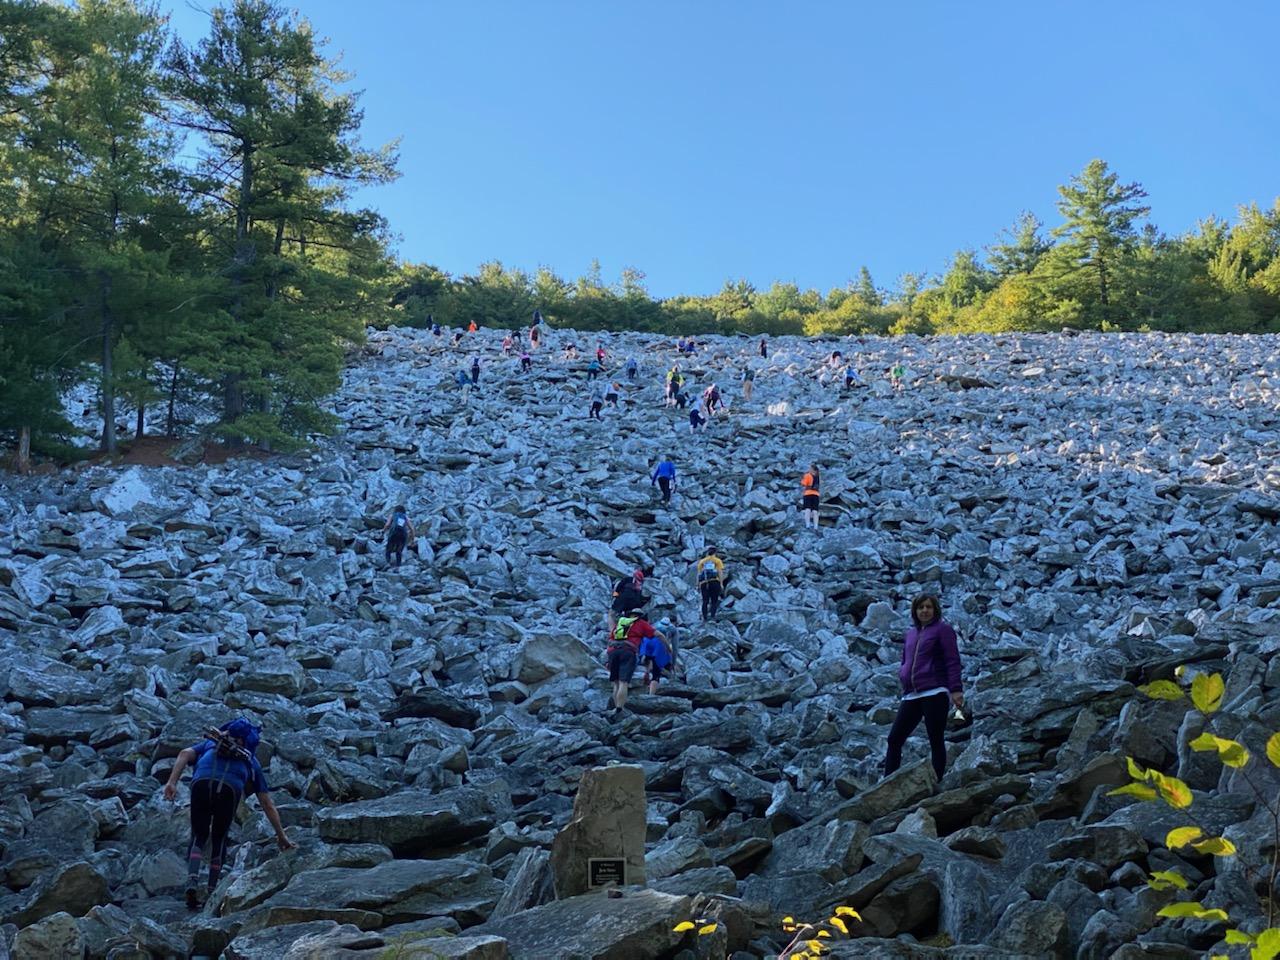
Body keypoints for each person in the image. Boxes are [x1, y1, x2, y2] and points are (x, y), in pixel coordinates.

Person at [162, 718, 294, 909]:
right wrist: (281, 836)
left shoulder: (210, 743)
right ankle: (211, 891)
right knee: (219, 838)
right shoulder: (251, 761)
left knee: (199, 834)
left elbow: (184, 754)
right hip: (229, 790)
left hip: (201, 783)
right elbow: (266, 803)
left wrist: (172, 782)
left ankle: (191, 882)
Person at [884, 594, 964, 780]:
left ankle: (936, 782)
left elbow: (952, 660)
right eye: (921, 607)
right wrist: (903, 677)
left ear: (935, 610)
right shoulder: (911, 634)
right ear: (915, 611)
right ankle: (888, 782)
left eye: (928, 607)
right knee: (894, 739)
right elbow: (906, 660)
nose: (925, 611)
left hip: (935, 691)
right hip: (911, 694)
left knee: (935, 739)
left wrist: (956, 689)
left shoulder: (943, 630)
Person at [607, 607, 666, 714]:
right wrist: (668, 647)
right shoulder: (641, 623)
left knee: (616, 683)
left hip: (613, 651)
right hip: (628, 651)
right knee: (623, 682)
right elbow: (659, 635)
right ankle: (619, 709)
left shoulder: (621, 622)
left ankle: (614, 708)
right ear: (640, 616)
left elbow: (611, 635)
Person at [638, 616, 675, 695]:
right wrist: (669, 652)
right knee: (656, 673)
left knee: (649, 660)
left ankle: (647, 672)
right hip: (658, 647)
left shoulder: (654, 626)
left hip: (647, 645)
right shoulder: (668, 630)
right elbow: (665, 641)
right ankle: (651, 694)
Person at [608, 569, 647, 635]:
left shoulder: (628, 579)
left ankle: (612, 631)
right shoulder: (640, 586)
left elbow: (618, 588)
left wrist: (615, 597)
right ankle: (624, 633)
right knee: (627, 618)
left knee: (611, 614)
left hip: (623, 598)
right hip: (633, 603)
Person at [695, 547, 725, 621]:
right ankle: (712, 616)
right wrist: (721, 583)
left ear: (707, 553)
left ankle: (704, 617)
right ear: (715, 553)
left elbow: (698, 574)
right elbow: (720, 572)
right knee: (714, 600)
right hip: (714, 582)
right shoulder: (717, 561)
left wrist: (697, 584)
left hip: (704, 583)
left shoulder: (702, 561)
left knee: (705, 601)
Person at [801, 465, 820, 530]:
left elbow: (803, 483)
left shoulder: (807, 475)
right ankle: (816, 527)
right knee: (815, 511)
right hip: (816, 494)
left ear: (812, 470)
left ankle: (808, 525)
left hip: (808, 493)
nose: (809, 469)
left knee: (807, 509)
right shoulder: (818, 476)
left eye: (810, 468)